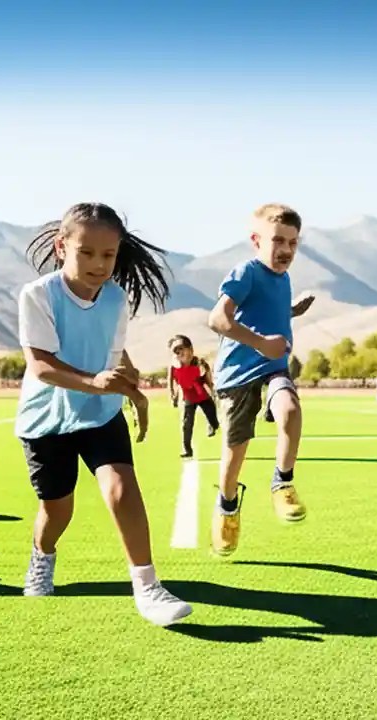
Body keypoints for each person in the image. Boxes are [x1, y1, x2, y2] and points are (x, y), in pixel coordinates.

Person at [16, 202, 192, 626]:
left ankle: (148, 587)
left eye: (108, 255)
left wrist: (134, 392)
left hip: (98, 414)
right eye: (87, 252)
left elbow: (115, 356)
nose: (99, 264)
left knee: (121, 487)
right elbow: (40, 365)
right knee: (57, 511)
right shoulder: (38, 295)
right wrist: (95, 381)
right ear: (62, 247)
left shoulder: (115, 298)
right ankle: (42, 556)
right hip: (47, 419)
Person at [207, 203, 316, 556]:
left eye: (293, 243)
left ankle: (282, 483)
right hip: (237, 375)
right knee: (235, 452)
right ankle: (226, 504)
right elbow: (218, 319)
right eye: (278, 241)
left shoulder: (283, 279)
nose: (286, 250)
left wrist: (291, 311)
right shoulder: (246, 272)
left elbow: (264, 311)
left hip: (274, 368)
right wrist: (261, 344)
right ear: (256, 240)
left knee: (290, 411)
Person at [167, 335, 219, 458]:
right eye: (177, 351)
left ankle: (212, 425)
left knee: (213, 418)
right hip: (188, 397)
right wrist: (172, 394)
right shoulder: (174, 366)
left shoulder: (199, 363)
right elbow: (170, 381)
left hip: (202, 396)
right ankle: (187, 449)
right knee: (186, 424)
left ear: (190, 349)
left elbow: (207, 380)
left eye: (183, 349)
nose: (180, 353)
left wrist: (213, 390)